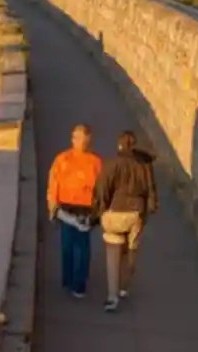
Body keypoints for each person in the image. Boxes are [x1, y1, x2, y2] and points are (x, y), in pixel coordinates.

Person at [95, 130, 158, 312]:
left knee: (113, 252)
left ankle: (112, 296)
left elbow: (102, 189)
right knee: (131, 250)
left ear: (119, 145)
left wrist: (100, 211)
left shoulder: (112, 164)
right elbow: (151, 191)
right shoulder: (144, 166)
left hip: (116, 211)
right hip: (136, 213)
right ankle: (124, 286)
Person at [46, 124, 102, 298]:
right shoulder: (62, 159)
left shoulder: (95, 161)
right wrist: (52, 205)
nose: (76, 141)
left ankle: (78, 284)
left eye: (80, 137)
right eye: (74, 137)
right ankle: (69, 279)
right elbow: (53, 182)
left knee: (81, 246)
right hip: (66, 207)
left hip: (85, 208)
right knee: (68, 245)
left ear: (88, 139)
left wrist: (98, 210)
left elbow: (100, 187)